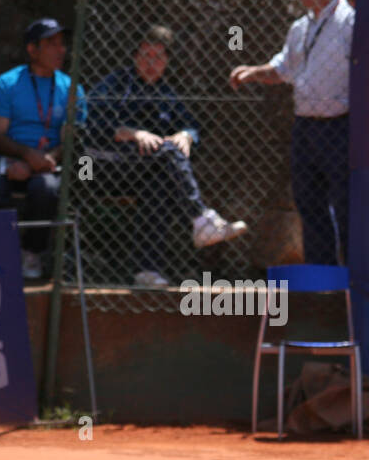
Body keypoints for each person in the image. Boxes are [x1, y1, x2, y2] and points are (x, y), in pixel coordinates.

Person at [87, 25, 248, 288]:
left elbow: (193, 126)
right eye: (146, 55)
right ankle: (200, 217)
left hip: (143, 168)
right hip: (104, 166)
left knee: (159, 184)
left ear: (167, 62)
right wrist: (131, 133)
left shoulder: (166, 94)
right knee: (166, 155)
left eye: (159, 57)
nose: (152, 63)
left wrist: (186, 135)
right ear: (135, 57)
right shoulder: (116, 84)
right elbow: (90, 123)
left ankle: (146, 271)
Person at [229, 0, 353, 265]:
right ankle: (323, 276)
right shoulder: (300, 26)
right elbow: (283, 68)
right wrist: (253, 72)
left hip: (341, 124)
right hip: (305, 127)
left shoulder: (350, 20)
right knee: (309, 202)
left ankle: (357, 278)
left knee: (347, 204)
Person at [0, 19, 86, 280]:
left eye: (62, 44)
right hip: (7, 158)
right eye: (51, 44)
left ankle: (31, 253)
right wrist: (25, 156)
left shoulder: (71, 89)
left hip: (49, 162)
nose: (60, 50)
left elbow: (73, 137)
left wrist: (46, 159)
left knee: (45, 188)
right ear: (32, 50)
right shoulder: (7, 83)